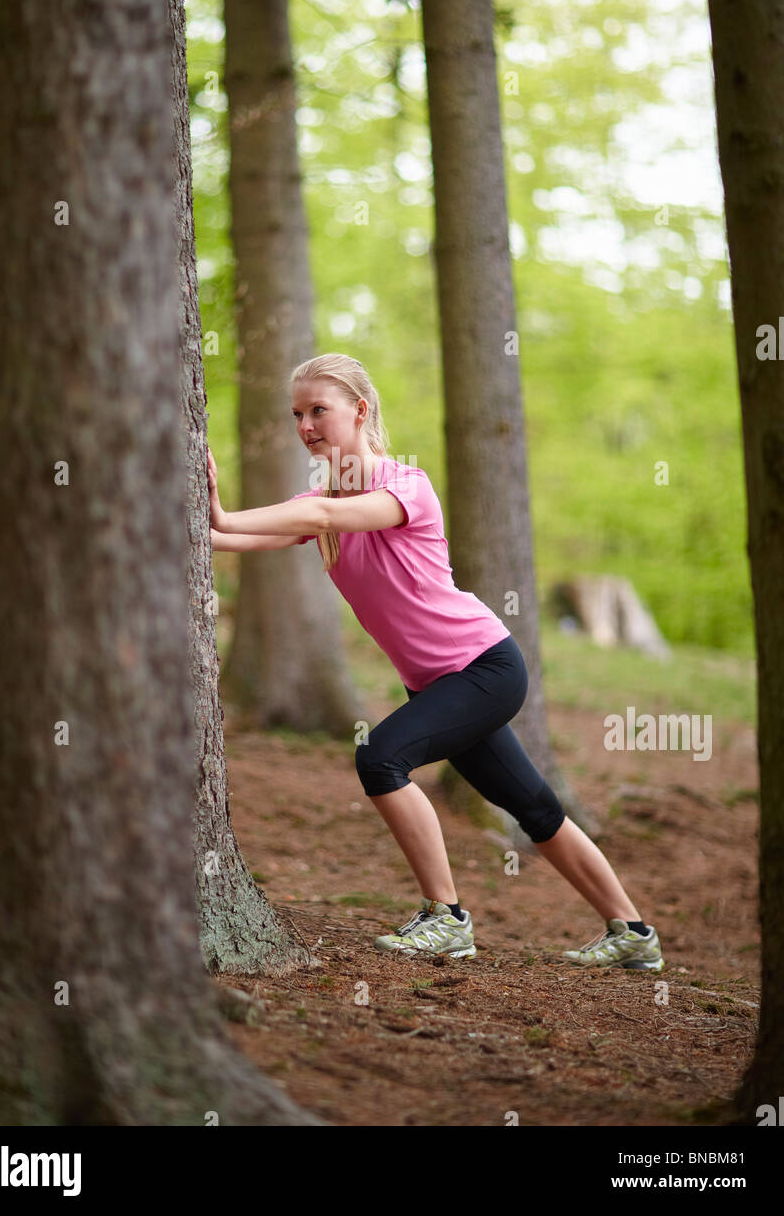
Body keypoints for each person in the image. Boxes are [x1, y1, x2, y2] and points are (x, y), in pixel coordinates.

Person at [208, 353, 664, 972]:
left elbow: (317, 517)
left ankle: (445, 917)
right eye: (297, 414)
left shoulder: (404, 486)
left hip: (484, 668)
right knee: (533, 806)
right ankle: (632, 932)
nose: (306, 425)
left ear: (360, 411)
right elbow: (238, 537)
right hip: (439, 684)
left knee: (381, 757)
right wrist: (205, 516)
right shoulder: (319, 501)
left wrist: (226, 516)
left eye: (320, 410)